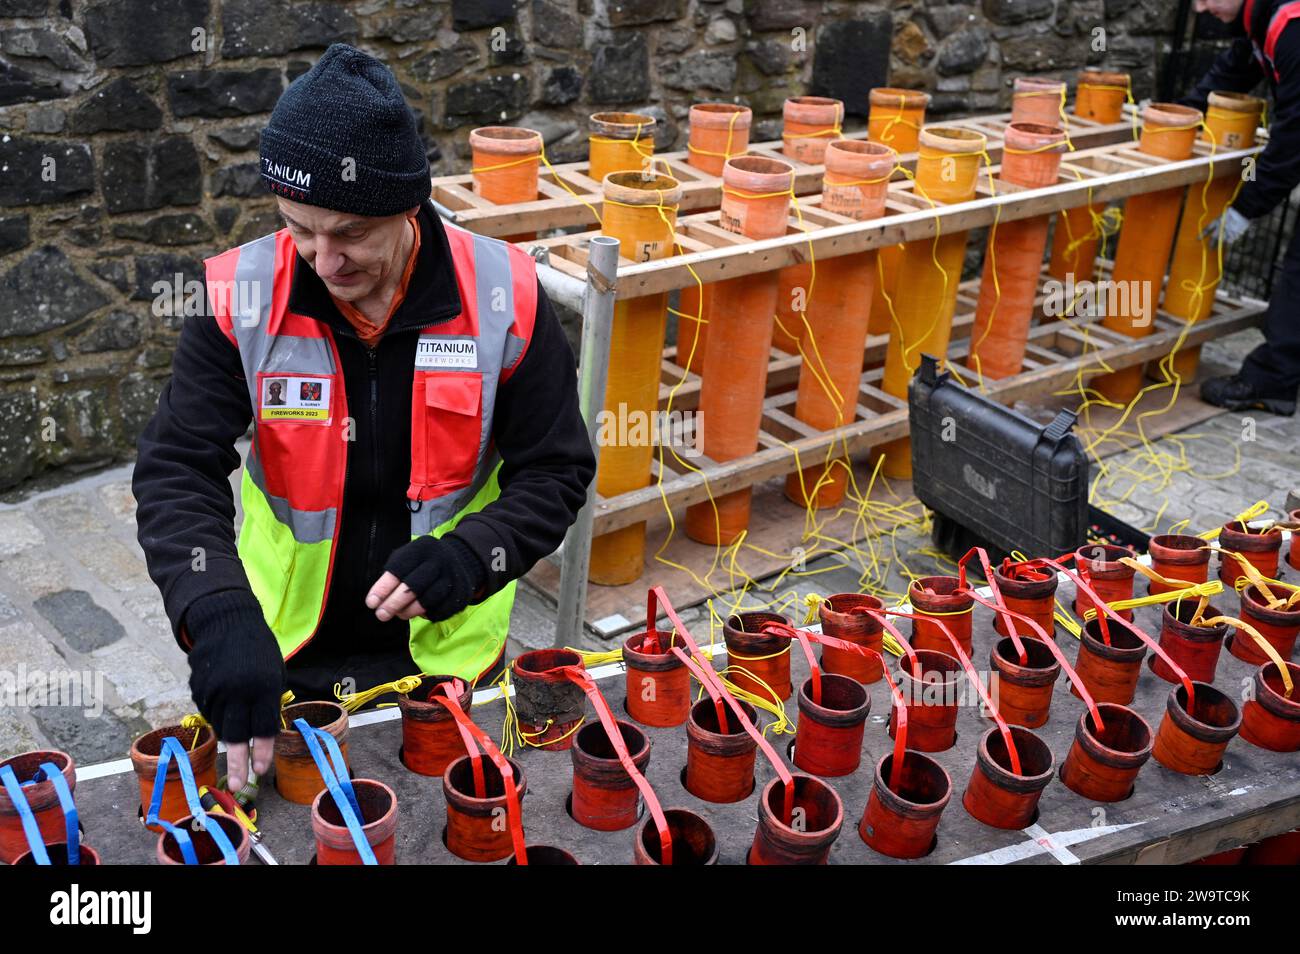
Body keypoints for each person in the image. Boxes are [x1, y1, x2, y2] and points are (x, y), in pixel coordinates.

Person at [133, 44, 596, 791]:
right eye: (298, 227)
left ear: (408, 206)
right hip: (283, 646)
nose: (323, 259)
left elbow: (556, 469)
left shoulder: (505, 295)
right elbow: (177, 468)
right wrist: (214, 608)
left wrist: (473, 556)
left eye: (349, 232)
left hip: (445, 651)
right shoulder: (237, 295)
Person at [1183, 0, 1300, 415]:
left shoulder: (1290, 25)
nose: (1199, 7)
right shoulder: (1262, 22)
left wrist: (1244, 208)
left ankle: (1271, 382)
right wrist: (1181, 115)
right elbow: (1234, 71)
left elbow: (1294, 139)